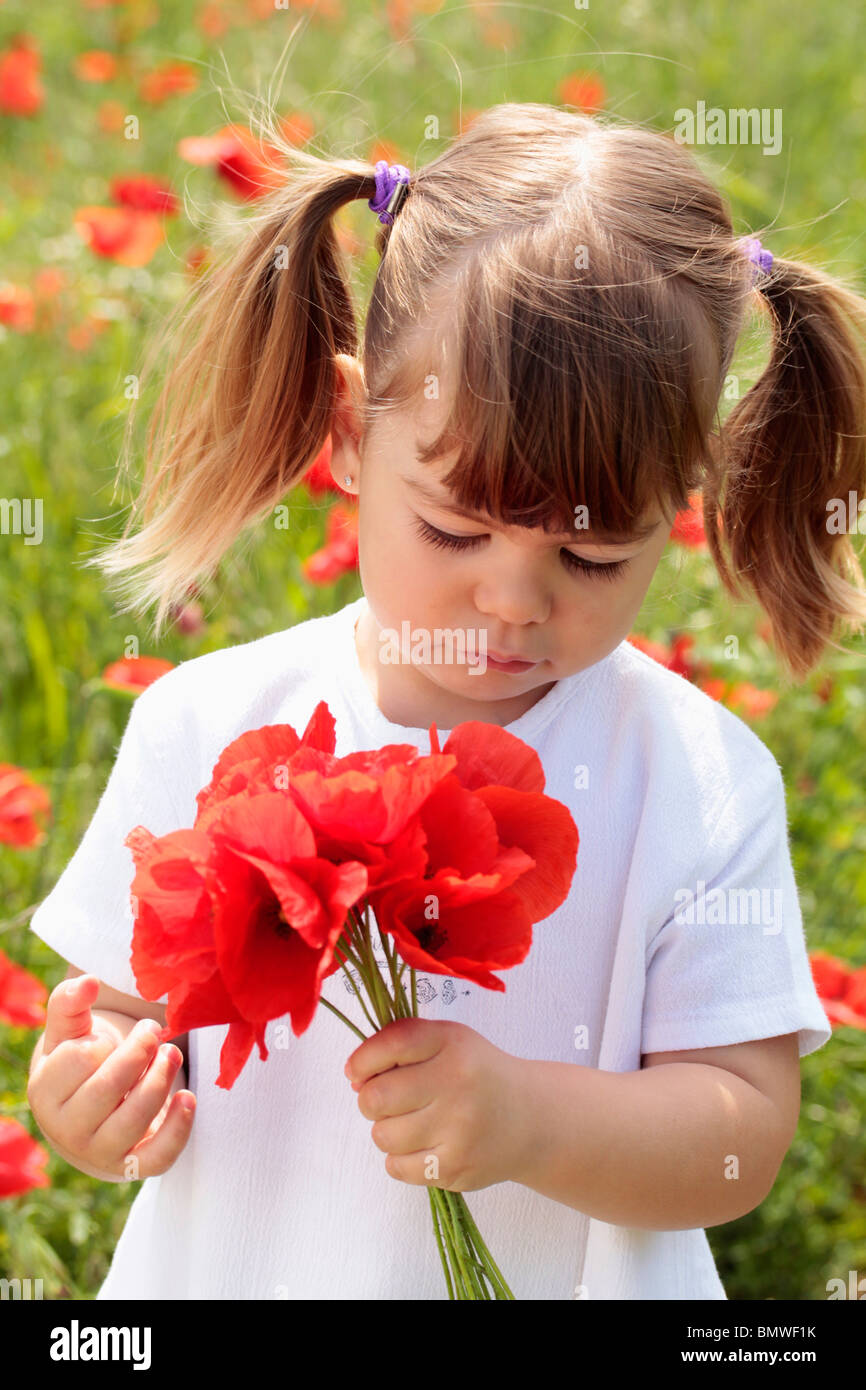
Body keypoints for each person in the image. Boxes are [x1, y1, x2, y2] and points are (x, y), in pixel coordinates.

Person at [27, 101, 866, 1300]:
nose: (514, 601)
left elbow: (736, 1136)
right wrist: (99, 1094)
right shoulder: (207, 723)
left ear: (681, 499)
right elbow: (122, 1007)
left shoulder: (693, 774)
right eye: (454, 527)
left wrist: (528, 1119)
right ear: (350, 431)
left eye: (590, 558)